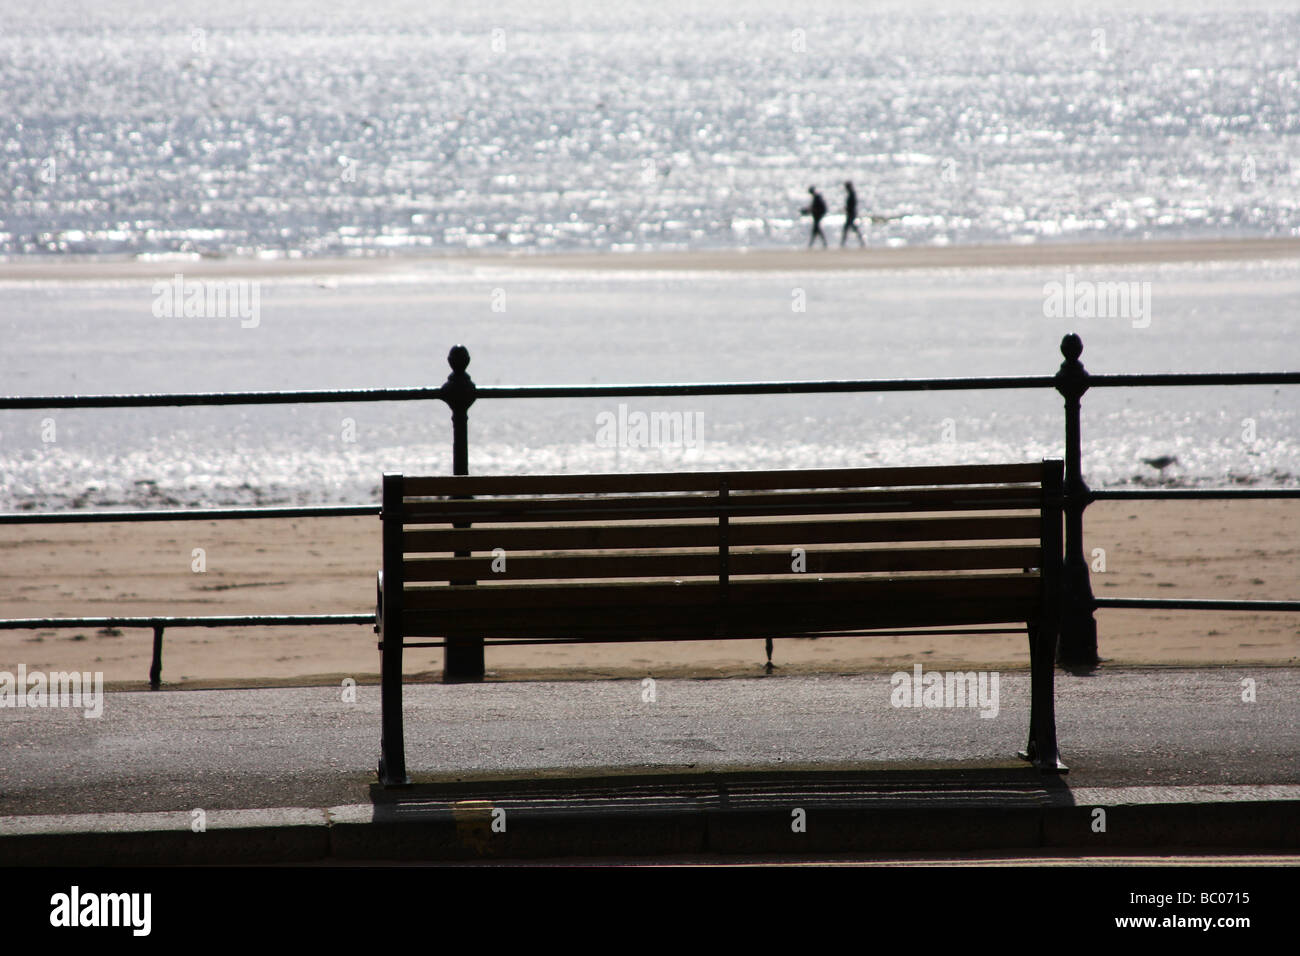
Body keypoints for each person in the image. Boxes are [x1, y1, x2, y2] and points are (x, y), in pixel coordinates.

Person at [841, 181, 865, 247]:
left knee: (848, 228)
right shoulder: (851, 194)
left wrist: (848, 209)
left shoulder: (852, 194)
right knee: (852, 228)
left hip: (851, 214)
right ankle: (861, 241)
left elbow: (852, 205)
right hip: (851, 213)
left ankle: (843, 243)